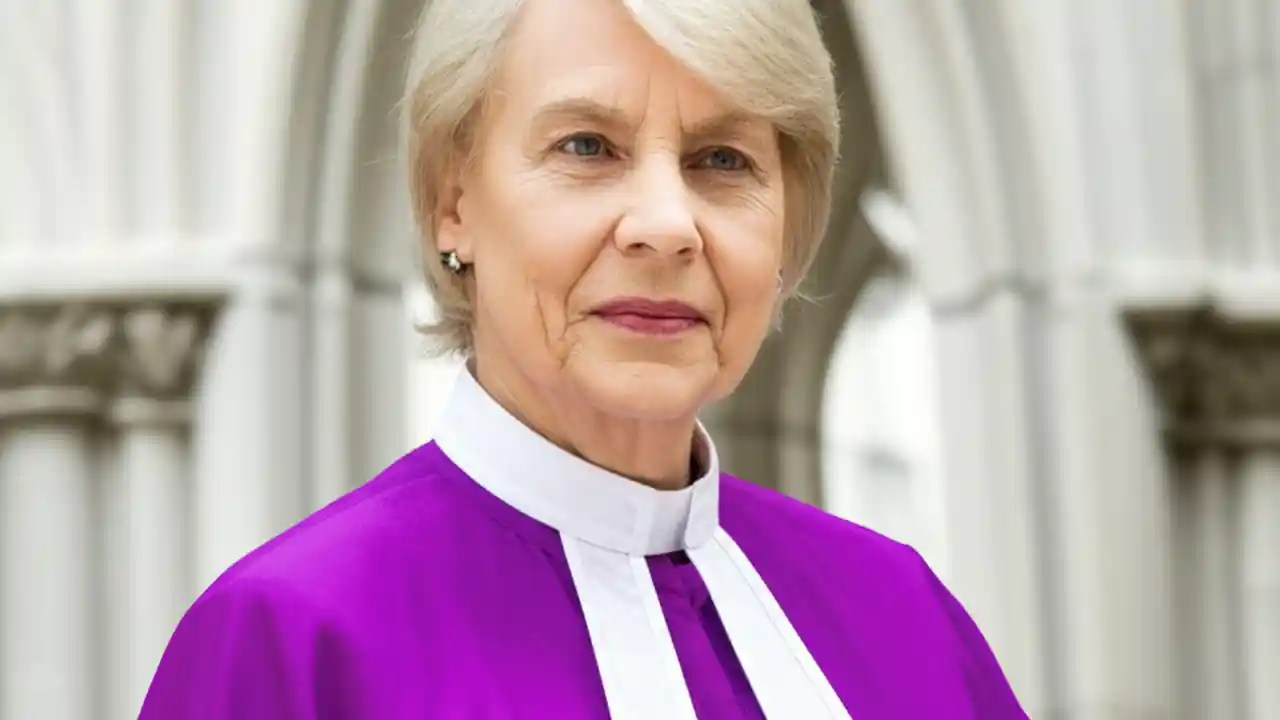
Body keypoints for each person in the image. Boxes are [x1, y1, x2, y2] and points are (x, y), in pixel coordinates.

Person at [141, 0, 1027, 717]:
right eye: (586, 148)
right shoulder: (290, 643)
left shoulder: (899, 614)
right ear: (455, 203)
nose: (666, 226)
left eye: (722, 160)